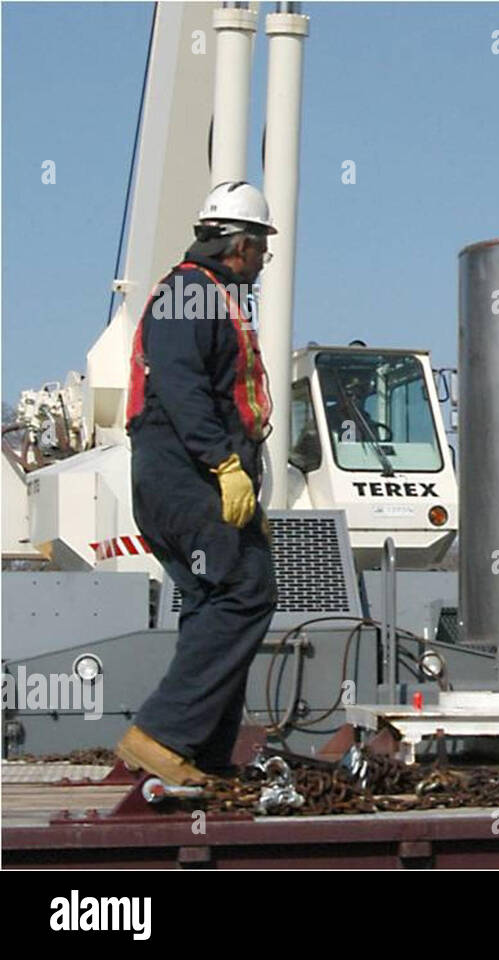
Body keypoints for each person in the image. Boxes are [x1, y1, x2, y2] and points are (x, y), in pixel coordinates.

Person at [115, 181, 279, 784]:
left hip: (191, 475)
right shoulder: (191, 293)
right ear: (240, 245)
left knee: (219, 595)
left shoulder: (206, 295)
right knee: (244, 588)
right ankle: (161, 735)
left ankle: (199, 750)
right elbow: (182, 389)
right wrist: (224, 465)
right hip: (184, 472)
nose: (264, 262)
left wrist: (239, 480)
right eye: (262, 248)